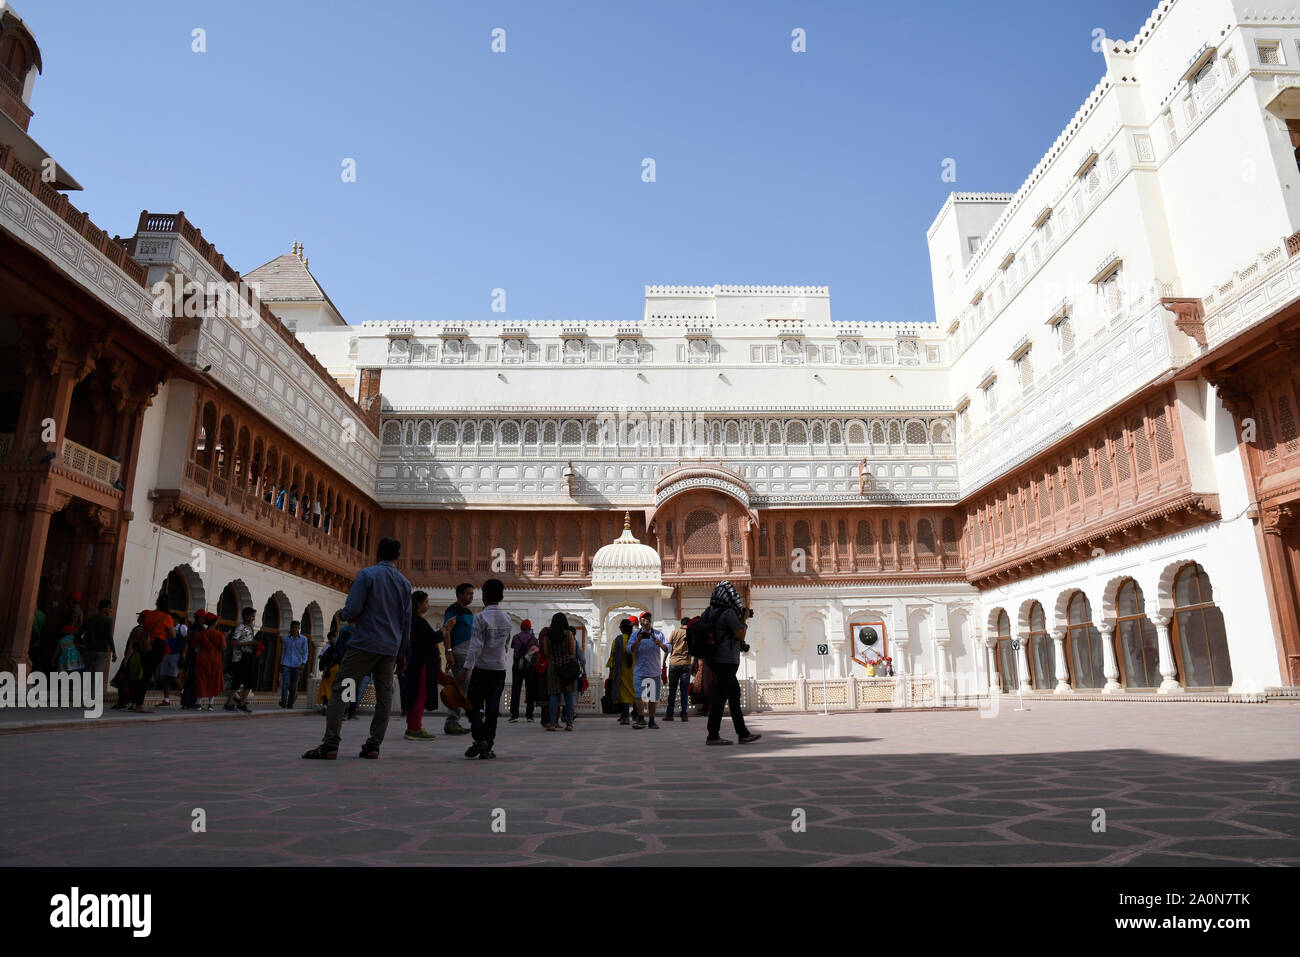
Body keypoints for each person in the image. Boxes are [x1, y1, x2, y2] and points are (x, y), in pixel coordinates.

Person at [303, 538, 412, 760]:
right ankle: (373, 745)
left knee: (343, 689)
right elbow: (406, 621)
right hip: (389, 649)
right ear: (397, 556)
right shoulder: (404, 583)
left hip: (365, 645)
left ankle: (331, 743)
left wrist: (345, 615)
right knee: (384, 697)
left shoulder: (367, 575)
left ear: (377, 552)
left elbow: (353, 609)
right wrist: (402, 654)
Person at [457, 578, 512, 758]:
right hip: (499, 669)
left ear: (484, 596)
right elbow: (505, 645)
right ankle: (487, 743)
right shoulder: (507, 619)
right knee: (493, 709)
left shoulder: (481, 617)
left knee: (472, 706)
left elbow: (475, 645)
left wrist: (465, 669)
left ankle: (480, 737)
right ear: (501, 597)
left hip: (482, 668)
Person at [702, 581, 761, 746]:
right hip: (727, 660)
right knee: (720, 697)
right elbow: (740, 634)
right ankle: (712, 735)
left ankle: (743, 733)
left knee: (734, 695)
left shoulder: (707, 612)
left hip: (712, 659)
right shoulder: (728, 613)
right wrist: (743, 618)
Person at [404, 591, 453, 740]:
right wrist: (446, 628)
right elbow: (433, 638)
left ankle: (412, 726)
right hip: (421, 663)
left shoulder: (414, 620)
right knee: (420, 694)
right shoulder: (418, 621)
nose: (428, 605)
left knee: (416, 694)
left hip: (418, 661)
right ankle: (414, 728)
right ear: (418, 604)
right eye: (425, 602)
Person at [441, 583, 476, 735]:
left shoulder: (467, 611)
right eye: (468, 593)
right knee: (460, 687)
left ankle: (456, 720)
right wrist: (449, 653)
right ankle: (452, 721)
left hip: (467, 654)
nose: (471, 596)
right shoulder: (453, 610)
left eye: (472, 594)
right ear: (460, 595)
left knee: (465, 686)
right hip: (458, 652)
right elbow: (446, 631)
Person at [627, 612, 669, 729]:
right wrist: (638, 640)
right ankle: (641, 719)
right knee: (638, 695)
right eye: (644, 618)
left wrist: (659, 643)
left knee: (653, 697)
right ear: (640, 621)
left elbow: (667, 648)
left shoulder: (658, 634)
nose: (646, 620)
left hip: (653, 671)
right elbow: (629, 650)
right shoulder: (635, 635)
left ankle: (651, 720)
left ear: (651, 620)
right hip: (639, 671)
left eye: (648, 618)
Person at [544, 612, 578, 732]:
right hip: (567, 667)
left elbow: (546, 653)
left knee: (554, 696)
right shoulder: (568, 634)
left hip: (553, 667)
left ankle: (553, 723)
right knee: (568, 696)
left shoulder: (548, 635)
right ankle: (569, 723)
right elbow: (573, 651)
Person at [224, 608, 259, 713]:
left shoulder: (250, 628)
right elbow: (233, 643)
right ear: (246, 616)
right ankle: (229, 703)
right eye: (252, 616)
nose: (253, 618)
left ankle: (242, 703)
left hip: (248, 656)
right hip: (239, 658)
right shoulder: (240, 627)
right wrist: (248, 643)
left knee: (249, 681)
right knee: (236, 681)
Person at [79, 599, 117, 688]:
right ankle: (91, 698)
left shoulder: (89, 619)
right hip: (101, 651)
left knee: (85, 674)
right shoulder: (108, 621)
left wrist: (83, 644)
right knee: (96, 675)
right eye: (109, 607)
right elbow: (109, 637)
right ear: (103, 608)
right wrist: (113, 651)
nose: (111, 610)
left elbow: (79, 634)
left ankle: (81, 696)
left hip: (89, 650)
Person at [192, 612, 226, 710]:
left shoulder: (201, 633)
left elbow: (194, 645)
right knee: (213, 681)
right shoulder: (219, 634)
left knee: (201, 680)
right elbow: (223, 647)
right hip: (215, 660)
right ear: (214, 623)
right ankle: (210, 704)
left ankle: (198, 703)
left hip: (202, 659)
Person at [605, 618, 636, 725]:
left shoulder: (618, 640)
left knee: (623, 695)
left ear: (621, 629)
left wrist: (611, 671)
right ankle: (637, 715)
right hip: (634, 671)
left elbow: (612, 656)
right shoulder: (635, 639)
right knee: (634, 693)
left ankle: (626, 717)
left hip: (622, 672)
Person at [664, 617, 693, 722]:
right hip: (686, 663)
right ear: (689, 624)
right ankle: (684, 714)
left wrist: (664, 662)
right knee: (684, 691)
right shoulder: (691, 634)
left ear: (681, 623)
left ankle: (669, 714)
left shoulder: (674, 632)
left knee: (672, 690)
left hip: (674, 664)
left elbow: (668, 649)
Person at [508, 618, 537, 723]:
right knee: (530, 690)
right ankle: (529, 715)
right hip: (529, 667)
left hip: (517, 666)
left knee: (516, 690)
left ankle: (514, 715)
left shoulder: (515, 638)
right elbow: (535, 653)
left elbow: (513, 649)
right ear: (529, 627)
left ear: (521, 627)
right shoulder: (533, 639)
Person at [157, 614, 187, 707]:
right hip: (166, 654)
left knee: (173, 677)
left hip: (176, 654)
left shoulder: (182, 627)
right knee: (165, 677)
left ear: (175, 619)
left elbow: (186, 641)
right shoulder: (168, 628)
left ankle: (184, 694)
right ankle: (166, 700)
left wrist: (183, 654)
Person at [279, 619, 308, 708]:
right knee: (285, 683)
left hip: (297, 665)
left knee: (293, 685)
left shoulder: (303, 639)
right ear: (291, 628)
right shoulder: (285, 639)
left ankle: (290, 703)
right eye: (293, 627)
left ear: (299, 628)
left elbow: (305, 652)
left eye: (296, 627)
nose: (295, 629)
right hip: (286, 663)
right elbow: (283, 651)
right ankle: (283, 701)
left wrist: (303, 663)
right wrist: (281, 664)